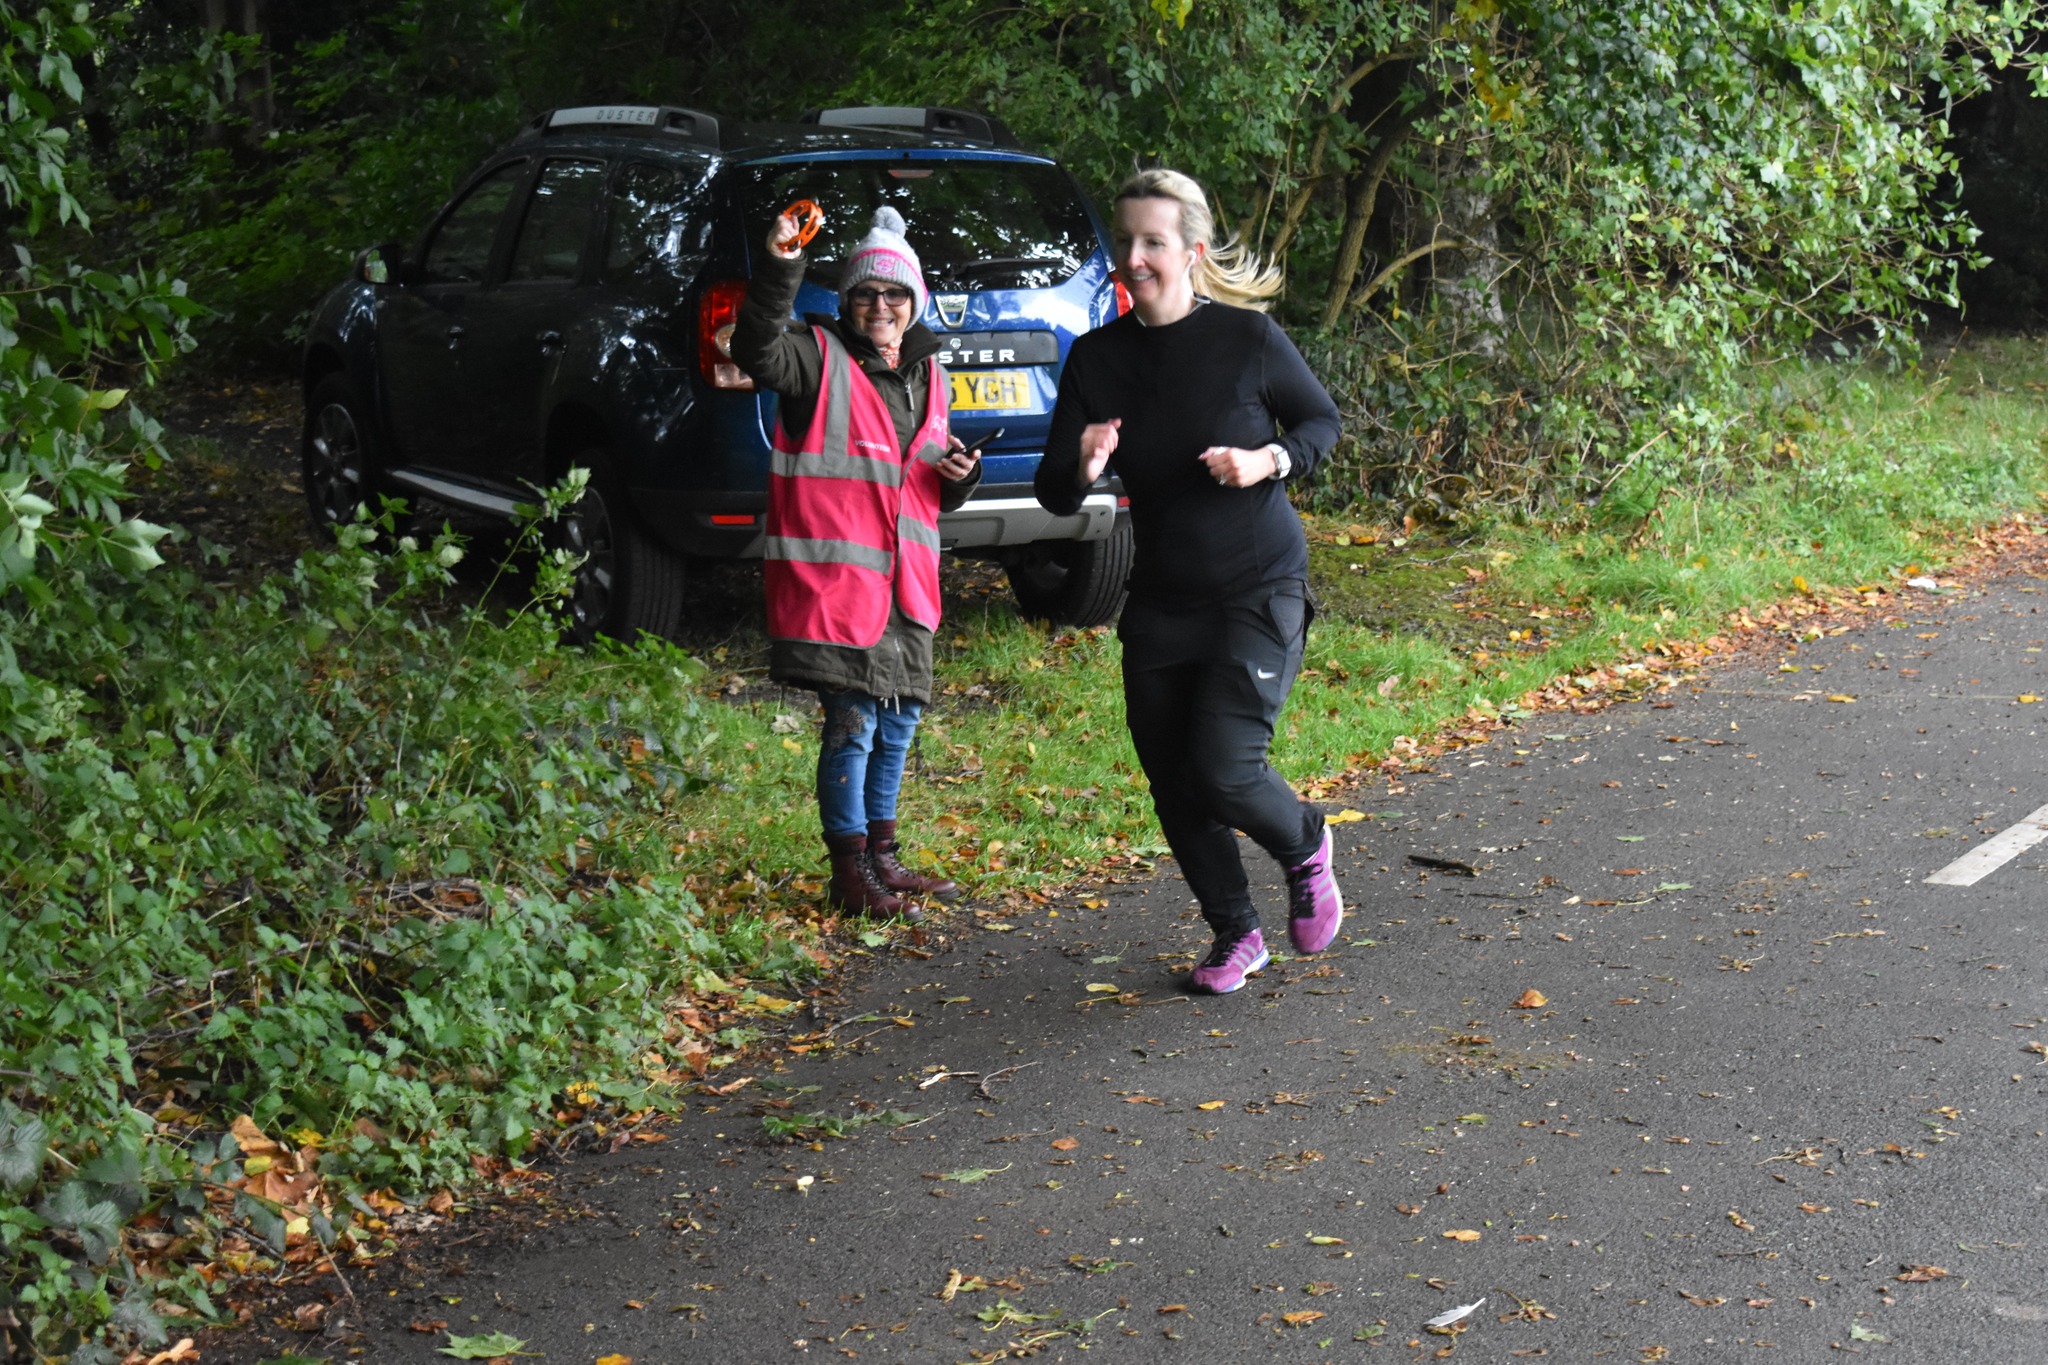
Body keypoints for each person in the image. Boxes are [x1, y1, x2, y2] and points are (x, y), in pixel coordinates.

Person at [1036, 168, 1345, 993]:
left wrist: (1265, 459)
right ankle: (1235, 931)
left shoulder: (1246, 339)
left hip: (1258, 584)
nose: (1133, 258)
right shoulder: (1097, 359)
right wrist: (1084, 463)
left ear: (1193, 253)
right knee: (1173, 779)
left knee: (1224, 767)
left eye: (1152, 242)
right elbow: (1053, 491)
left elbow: (1321, 421)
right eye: (1125, 241)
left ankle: (1304, 840)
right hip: (1162, 599)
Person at [730, 204, 982, 924]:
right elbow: (756, 350)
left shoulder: (928, 370)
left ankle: (884, 854)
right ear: (848, 300)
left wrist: (961, 475)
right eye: (867, 293)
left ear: (915, 302)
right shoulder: (814, 356)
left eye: (895, 293)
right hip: (835, 586)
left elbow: (926, 481)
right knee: (854, 724)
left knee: (898, 721)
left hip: (908, 586)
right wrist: (782, 264)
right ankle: (850, 870)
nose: (881, 306)